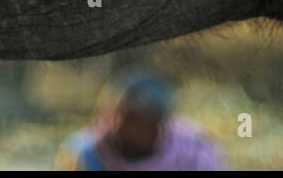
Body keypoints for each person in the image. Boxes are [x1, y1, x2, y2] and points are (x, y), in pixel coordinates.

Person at [55, 71, 226, 170]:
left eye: (132, 120)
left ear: (156, 124)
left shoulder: (192, 147)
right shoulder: (88, 151)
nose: (116, 125)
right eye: (116, 115)